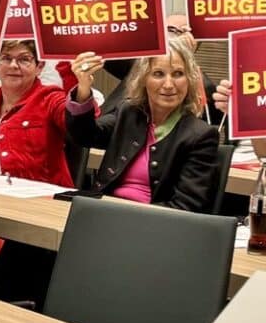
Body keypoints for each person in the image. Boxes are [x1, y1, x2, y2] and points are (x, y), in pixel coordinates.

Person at [66, 44, 218, 211]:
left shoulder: (201, 135)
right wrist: (83, 88)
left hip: (152, 224)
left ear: (190, 80)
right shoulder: (128, 112)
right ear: (143, 79)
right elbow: (85, 136)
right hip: (103, 210)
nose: (169, 84)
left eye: (178, 74)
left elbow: (186, 206)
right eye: (158, 74)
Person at [0, 39, 73, 185]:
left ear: (39, 67)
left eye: (24, 59)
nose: (13, 65)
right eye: (6, 58)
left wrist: (74, 77)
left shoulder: (50, 98)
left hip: (31, 198)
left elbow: (78, 123)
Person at [105, 14, 223, 124]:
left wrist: (181, 52)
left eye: (169, 30)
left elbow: (219, 120)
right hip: (111, 131)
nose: (160, 35)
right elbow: (105, 55)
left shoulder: (204, 85)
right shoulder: (140, 62)